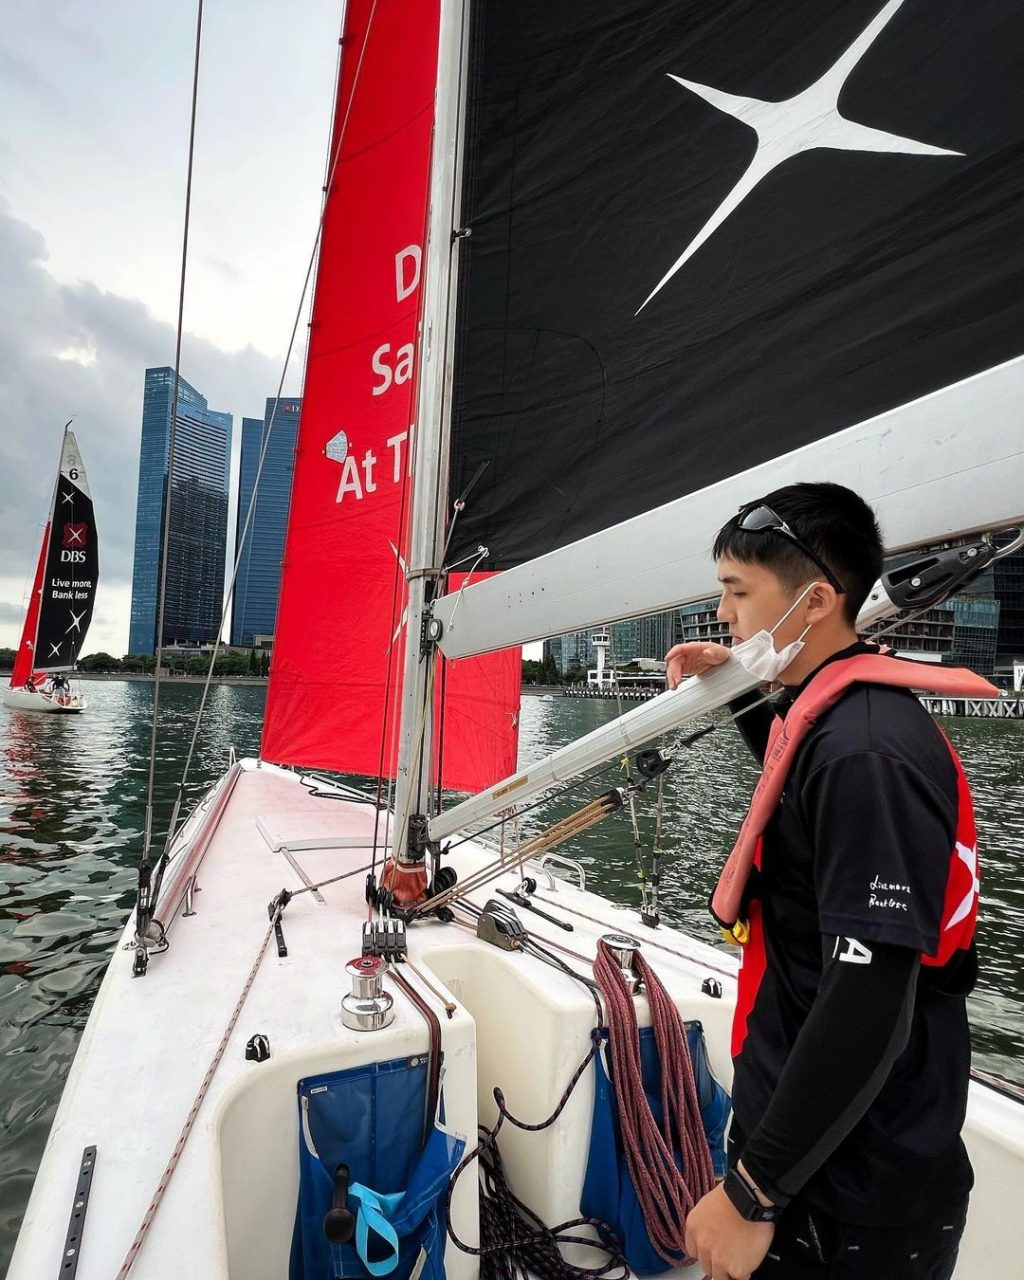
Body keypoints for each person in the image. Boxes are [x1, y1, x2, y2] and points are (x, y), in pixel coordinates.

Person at [667, 482, 980, 1280]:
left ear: (813, 601)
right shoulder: (833, 716)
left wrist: (753, 1192)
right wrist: (742, 690)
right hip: (817, 1153)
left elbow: (870, 997)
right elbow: (801, 795)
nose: (723, 615)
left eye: (739, 592)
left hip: (848, 1189)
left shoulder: (866, 752)